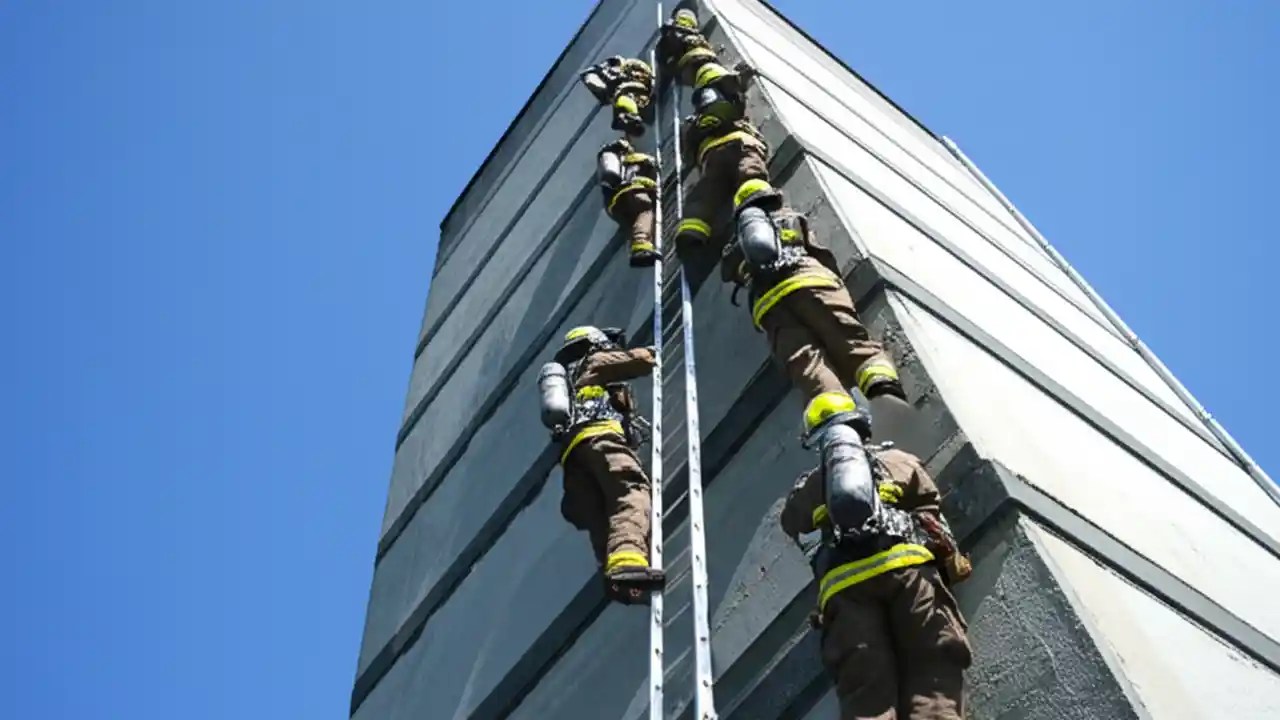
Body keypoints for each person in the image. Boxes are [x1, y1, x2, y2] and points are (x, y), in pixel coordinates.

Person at [780, 403, 973, 720]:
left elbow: (791, 524)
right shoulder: (898, 461)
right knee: (934, 673)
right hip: (908, 571)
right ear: (861, 427)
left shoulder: (809, 488)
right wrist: (949, 559)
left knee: (867, 694)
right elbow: (929, 511)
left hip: (845, 588)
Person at [720, 203, 915, 446]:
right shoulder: (789, 218)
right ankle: (881, 387)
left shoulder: (736, 248)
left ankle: (835, 416)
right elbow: (822, 255)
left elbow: (729, 272)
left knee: (808, 364)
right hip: (811, 280)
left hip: (770, 305)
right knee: (850, 342)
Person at [539, 326, 665, 604]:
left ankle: (618, 581)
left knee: (602, 519)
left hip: (575, 459)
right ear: (594, 343)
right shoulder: (594, 360)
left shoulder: (569, 379)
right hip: (601, 439)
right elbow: (637, 362)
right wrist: (654, 352)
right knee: (630, 493)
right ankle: (627, 565)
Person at [596, 137, 659, 266]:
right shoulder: (635, 158)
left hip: (616, 206)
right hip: (633, 192)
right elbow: (651, 166)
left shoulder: (611, 166)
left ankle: (639, 246)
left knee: (634, 222)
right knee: (644, 212)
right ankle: (641, 248)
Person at [580, 56, 654, 137]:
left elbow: (621, 88)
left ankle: (629, 121)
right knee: (608, 90)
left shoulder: (629, 93)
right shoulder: (619, 79)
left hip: (616, 84)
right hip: (612, 81)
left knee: (610, 92)